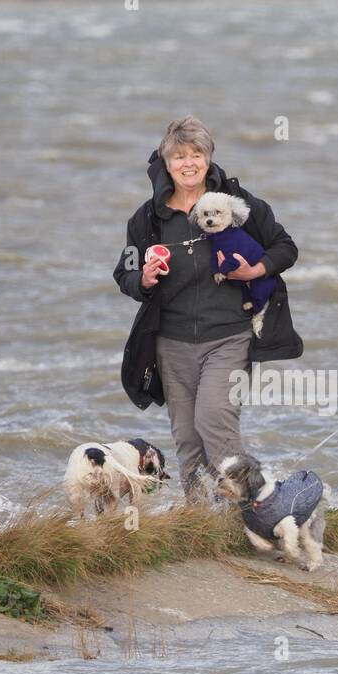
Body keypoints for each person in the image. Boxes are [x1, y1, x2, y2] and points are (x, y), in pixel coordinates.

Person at [114, 116, 303, 499]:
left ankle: (251, 510)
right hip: (171, 341)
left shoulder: (237, 204)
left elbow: (285, 247)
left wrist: (257, 268)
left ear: (208, 158)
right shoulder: (149, 218)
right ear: (166, 163)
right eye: (179, 155)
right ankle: (199, 521)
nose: (188, 163)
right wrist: (144, 279)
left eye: (196, 154)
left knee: (214, 421)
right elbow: (125, 272)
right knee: (186, 436)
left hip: (228, 336)